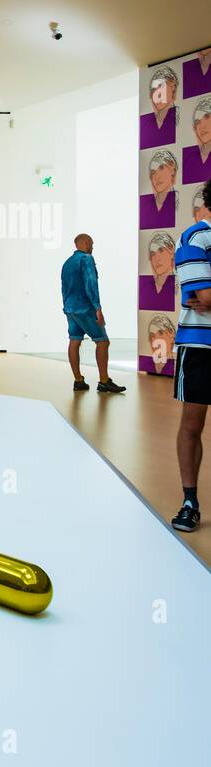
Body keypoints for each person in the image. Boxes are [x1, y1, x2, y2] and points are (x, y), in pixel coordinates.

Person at [169, 176, 211, 532]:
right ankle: (189, 501)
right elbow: (205, 299)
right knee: (192, 424)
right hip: (200, 347)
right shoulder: (197, 238)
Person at [60, 233, 125, 394]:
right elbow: (91, 283)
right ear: (86, 242)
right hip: (85, 308)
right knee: (102, 342)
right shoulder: (86, 259)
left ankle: (78, 380)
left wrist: (67, 307)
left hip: (70, 308)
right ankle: (104, 381)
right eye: (92, 244)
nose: (93, 247)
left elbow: (64, 287)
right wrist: (97, 308)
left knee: (74, 341)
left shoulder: (67, 263)